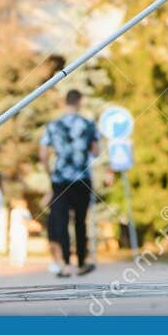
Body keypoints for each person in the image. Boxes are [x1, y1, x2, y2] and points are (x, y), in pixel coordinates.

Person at [38, 90, 98, 277]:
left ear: (65, 102)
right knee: (80, 221)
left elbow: (43, 155)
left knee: (61, 221)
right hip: (82, 179)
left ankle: (64, 264)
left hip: (60, 180)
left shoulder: (53, 126)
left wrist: (51, 173)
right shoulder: (88, 125)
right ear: (79, 102)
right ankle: (81, 263)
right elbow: (96, 152)